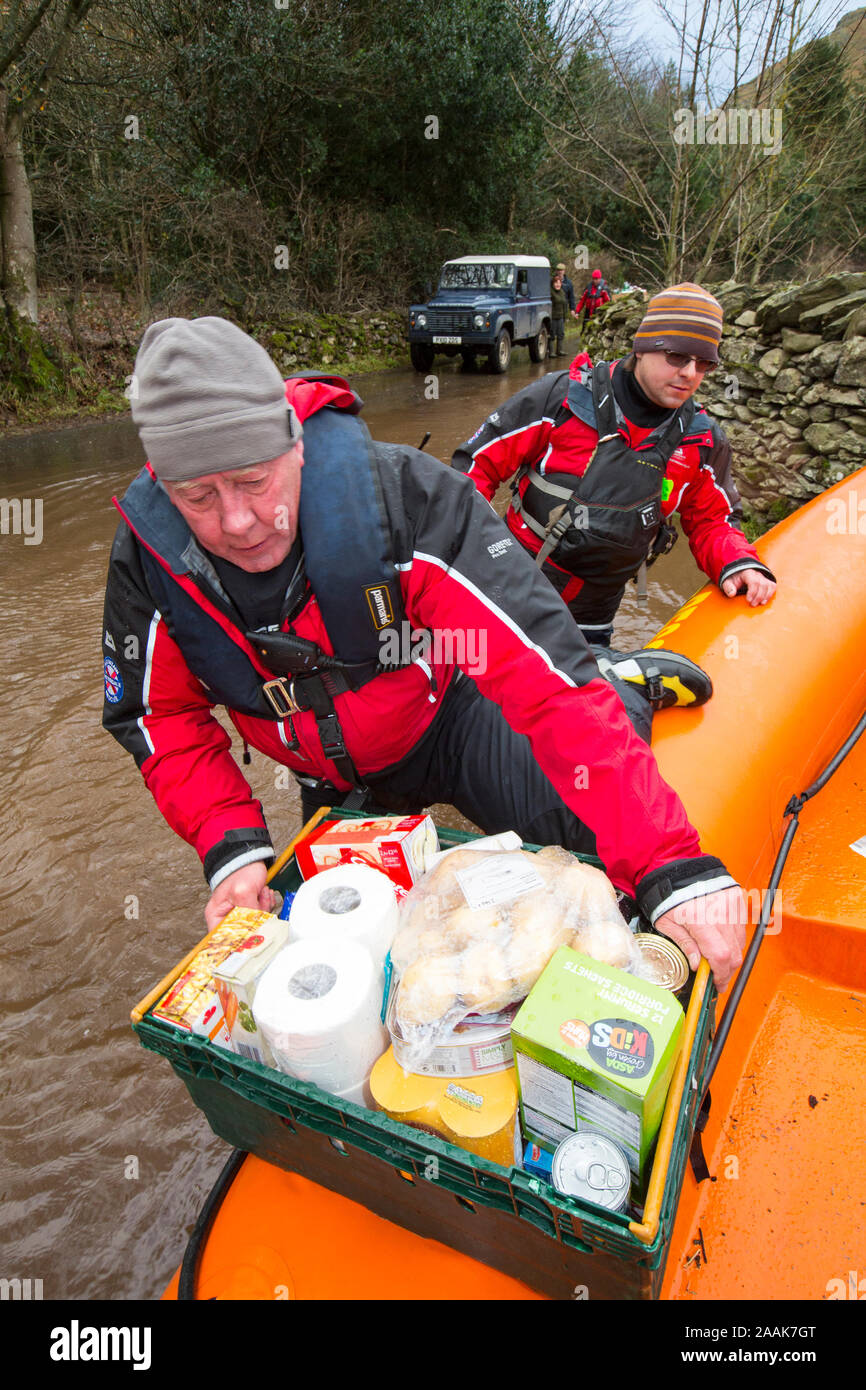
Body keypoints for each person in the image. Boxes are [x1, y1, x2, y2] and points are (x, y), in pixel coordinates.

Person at [102, 316, 748, 988]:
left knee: (593, 857)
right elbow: (157, 716)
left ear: (295, 448)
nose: (236, 522)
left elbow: (546, 681)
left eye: (253, 481)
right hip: (331, 777)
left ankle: (624, 681)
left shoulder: (405, 500)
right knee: (338, 959)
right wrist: (231, 845)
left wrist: (672, 866)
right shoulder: (148, 558)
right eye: (198, 497)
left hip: (450, 719)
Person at [452, 282, 777, 708]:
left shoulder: (701, 441)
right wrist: (478, 558)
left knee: (573, 716)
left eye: (704, 364)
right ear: (642, 347)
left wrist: (738, 562)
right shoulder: (561, 399)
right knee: (476, 705)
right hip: (512, 591)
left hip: (593, 615)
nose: (690, 374)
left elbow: (713, 520)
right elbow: (472, 470)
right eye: (677, 356)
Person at [549, 270, 569, 358]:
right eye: (556, 283)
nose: (557, 284)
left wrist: (566, 316)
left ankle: (559, 350)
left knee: (561, 334)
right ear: (553, 283)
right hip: (553, 317)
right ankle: (551, 352)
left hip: (561, 316)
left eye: (559, 283)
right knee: (552, 334)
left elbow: (565, 304)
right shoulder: (550, 292)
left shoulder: (562, 292)